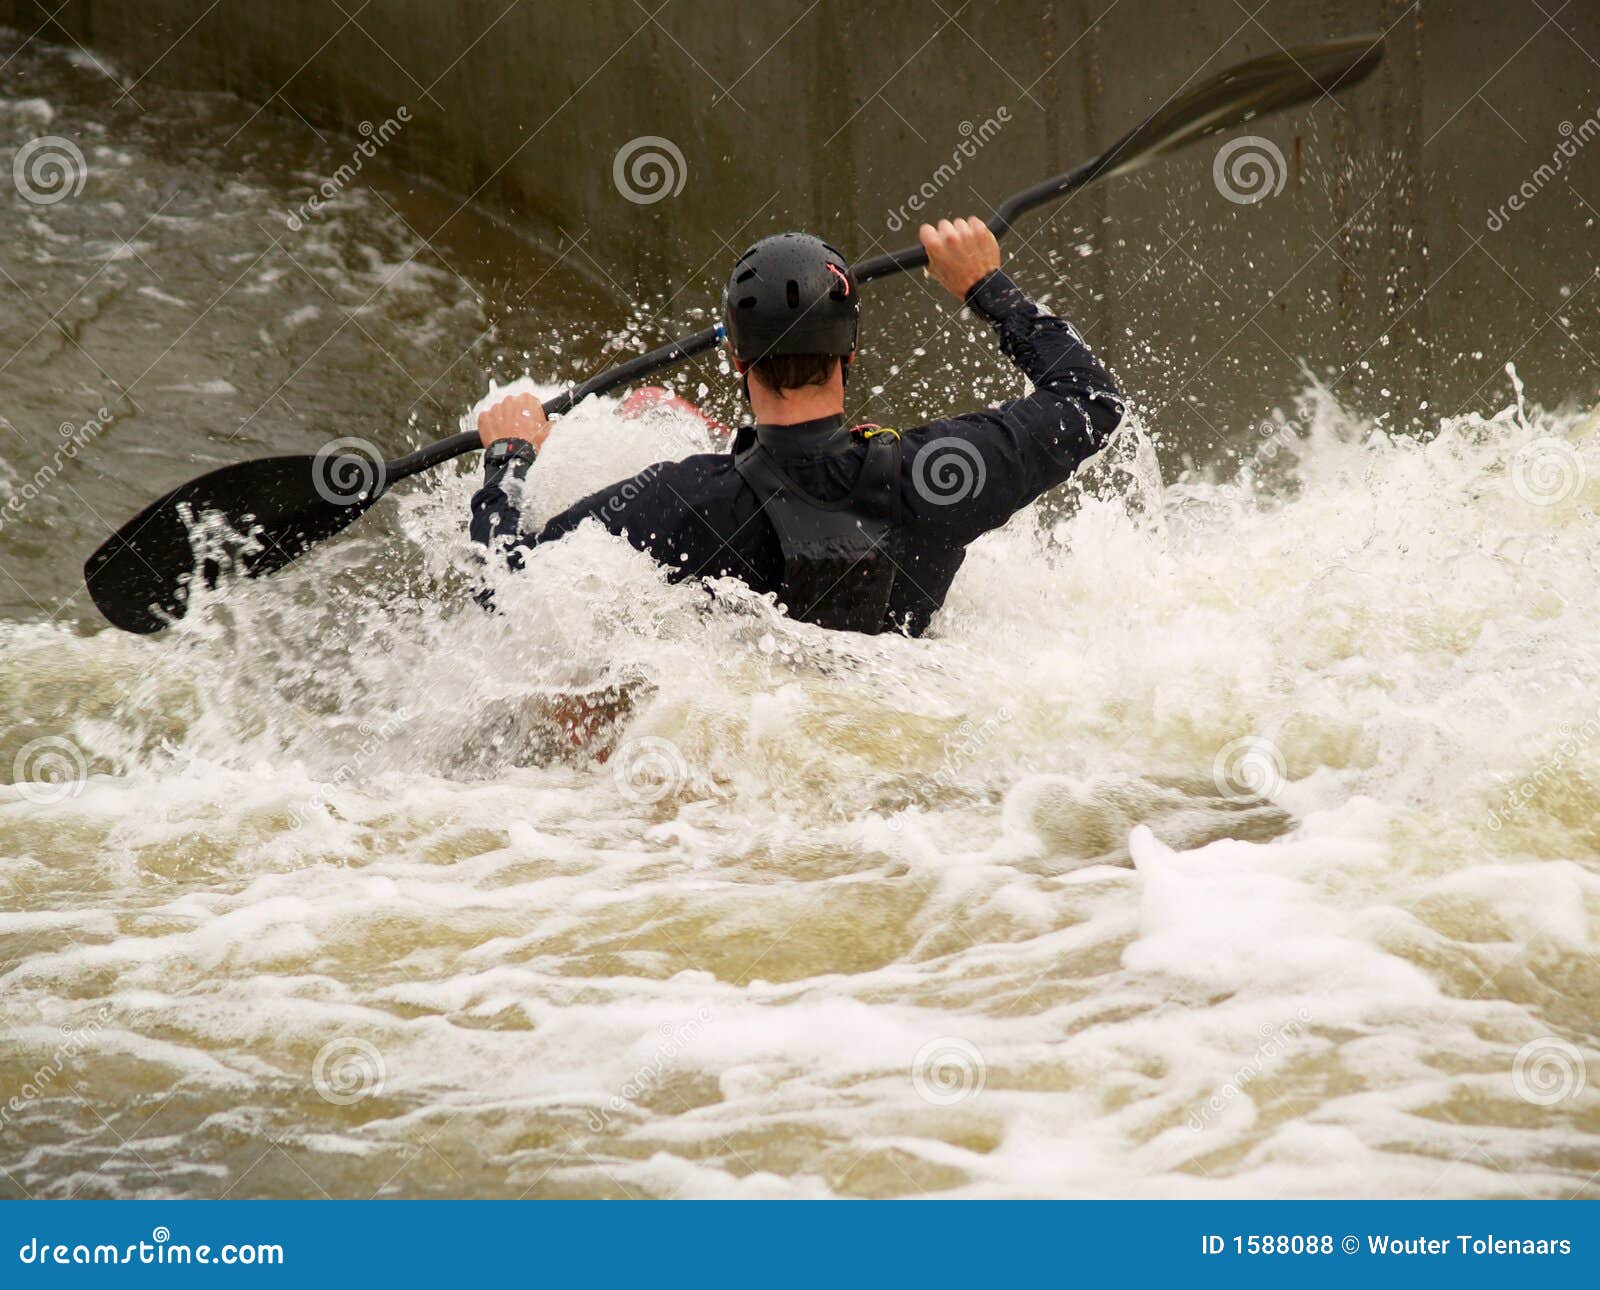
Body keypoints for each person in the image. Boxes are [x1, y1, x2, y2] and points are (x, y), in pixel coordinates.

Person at [471, 217, 1122, 636]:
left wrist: (507, 459)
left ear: (736, 357)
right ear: (850, 352)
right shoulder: (946, 471)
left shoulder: (680, 500)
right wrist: (986, 285)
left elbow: (505, 591)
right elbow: (1091, 397)